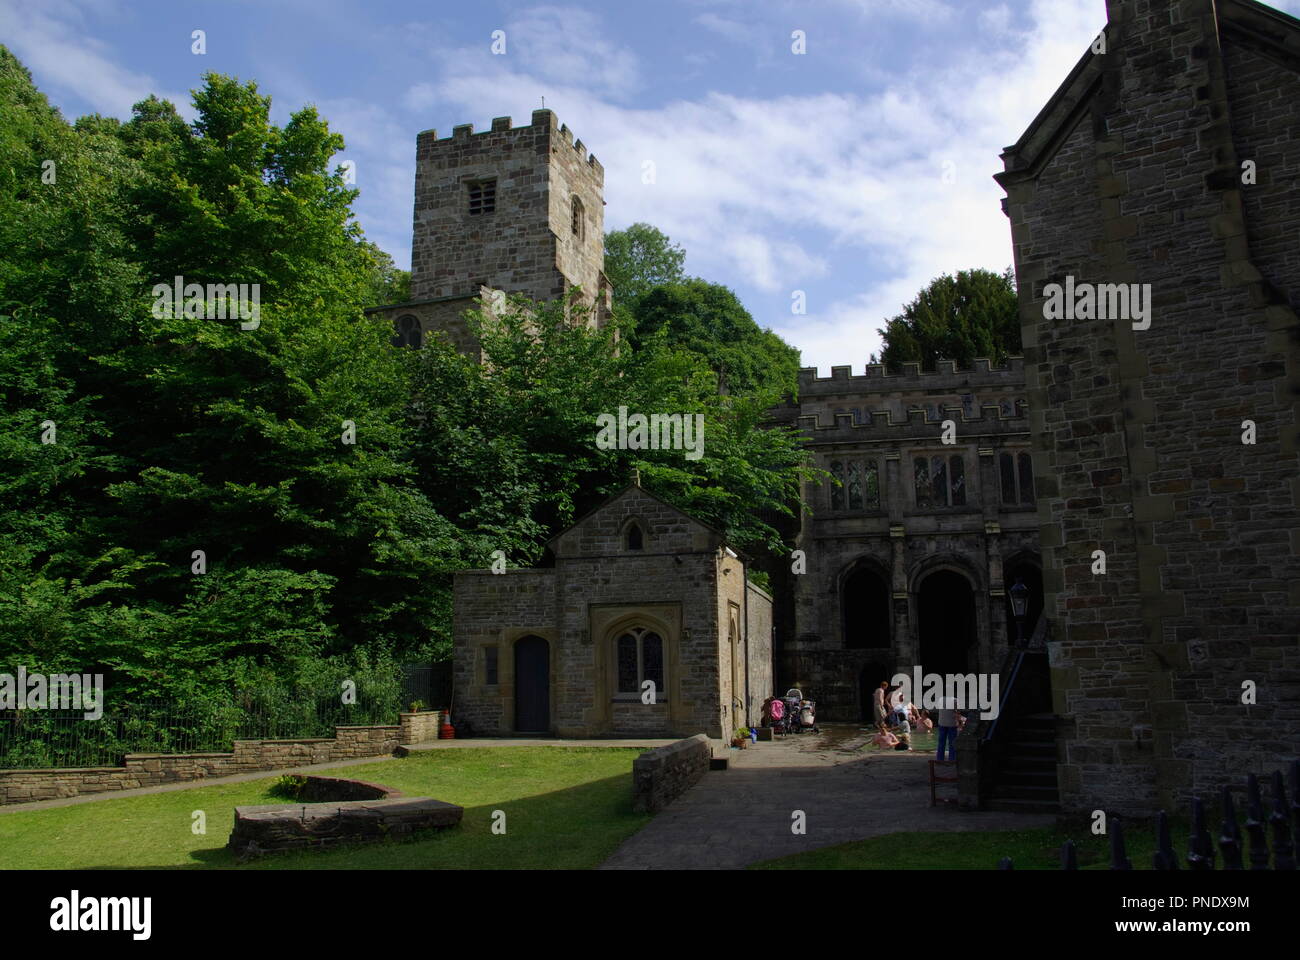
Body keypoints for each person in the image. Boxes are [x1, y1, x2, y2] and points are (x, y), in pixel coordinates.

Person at [936, 697, 959, 763]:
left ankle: (940, 759)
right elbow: (958, 711)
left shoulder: (940, 699)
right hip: (952, 724)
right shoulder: (955, 700)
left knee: (941, 743)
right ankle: (952, 760)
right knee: (952, 743)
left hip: (942, 723)